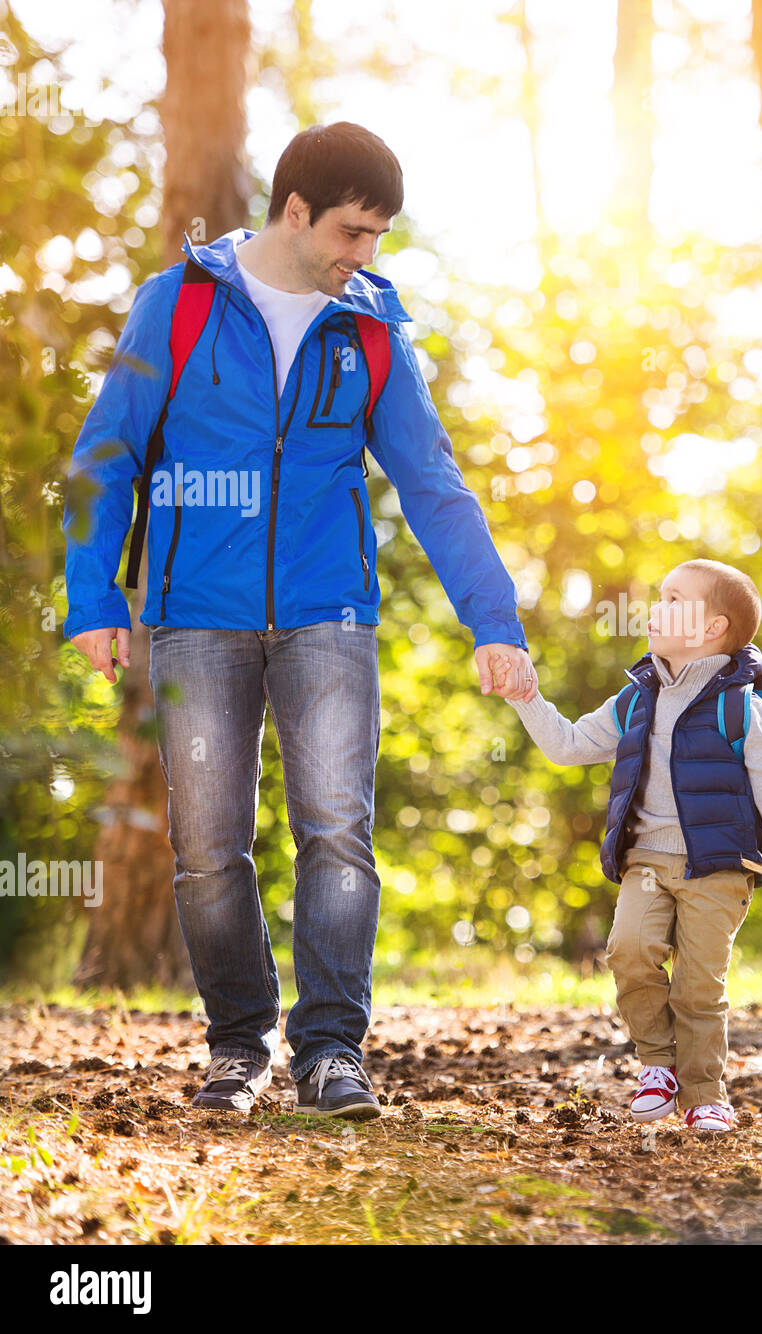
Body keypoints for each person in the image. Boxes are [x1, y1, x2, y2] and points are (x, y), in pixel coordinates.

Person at [62, 122, 537, 1119]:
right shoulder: (180, 304)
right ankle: (238, 1046)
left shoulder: (369, 331)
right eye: (354, 233)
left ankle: (330, 1051)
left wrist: (494, 620)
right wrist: (96, 597)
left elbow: (434, 484)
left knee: (338, 834)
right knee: (207, 847)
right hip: (196, 616)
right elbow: (108, 453)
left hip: (328, 613)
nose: (366, 256)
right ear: (294, 211)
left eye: (377, 237)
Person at [493, 559, 762, 1132]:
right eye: (659, 596)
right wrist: (525, 697)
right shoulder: (636, 699)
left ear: (711, 629)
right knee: (628, 950)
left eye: (674, 600)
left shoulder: (741, 706)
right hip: (647, 860)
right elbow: (570, 745)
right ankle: (658, 1065)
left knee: (700, 986)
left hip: (721, 866)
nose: (656, 608)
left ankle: (706, 1093)